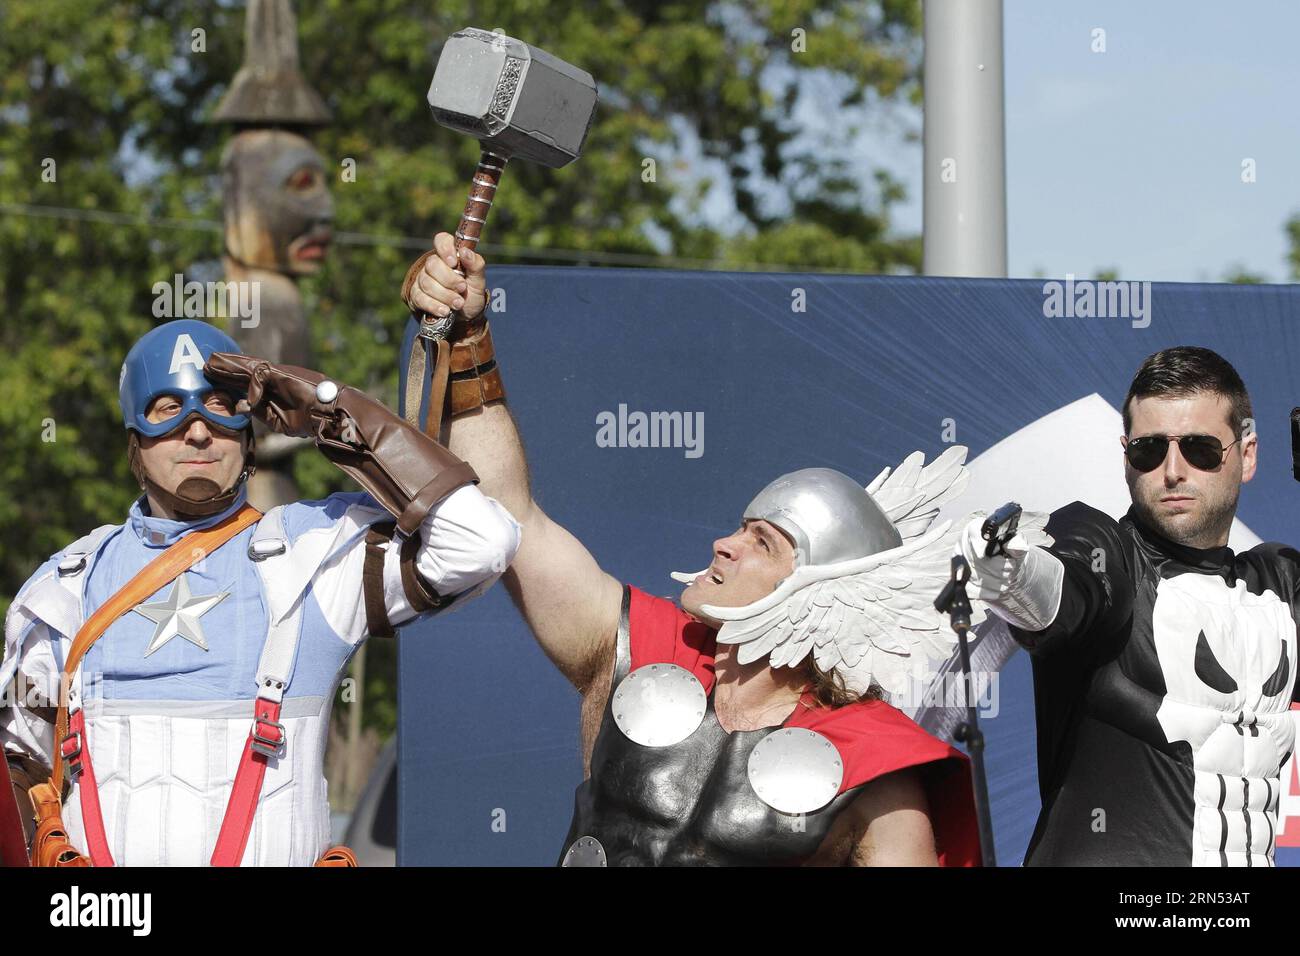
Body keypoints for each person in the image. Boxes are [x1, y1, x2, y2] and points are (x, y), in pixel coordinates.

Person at [400, 234, 982, 866]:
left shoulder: (875, 763)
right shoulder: (640, 648)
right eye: (740, 527)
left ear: (826, 594)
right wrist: (466, 338)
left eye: (761, 541)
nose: (723, 545)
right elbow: (509, 513)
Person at [0, 318, 520, 866]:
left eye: (220, 405)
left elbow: (484, 541)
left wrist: (332, 411)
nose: (197, 430)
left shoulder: (316, 553)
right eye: (166, 409)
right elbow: (21, 776)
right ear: (135, 441)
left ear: (250, 437)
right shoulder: (66, 587)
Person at [960, 346, 1300, 866]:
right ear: (1126, 458)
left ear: (1246, 455)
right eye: (1148, 450)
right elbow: (1065, 588)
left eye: (1201, 449)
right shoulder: (1106, 549)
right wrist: (1012, 572)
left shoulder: (1281, 582)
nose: (1172, 470)